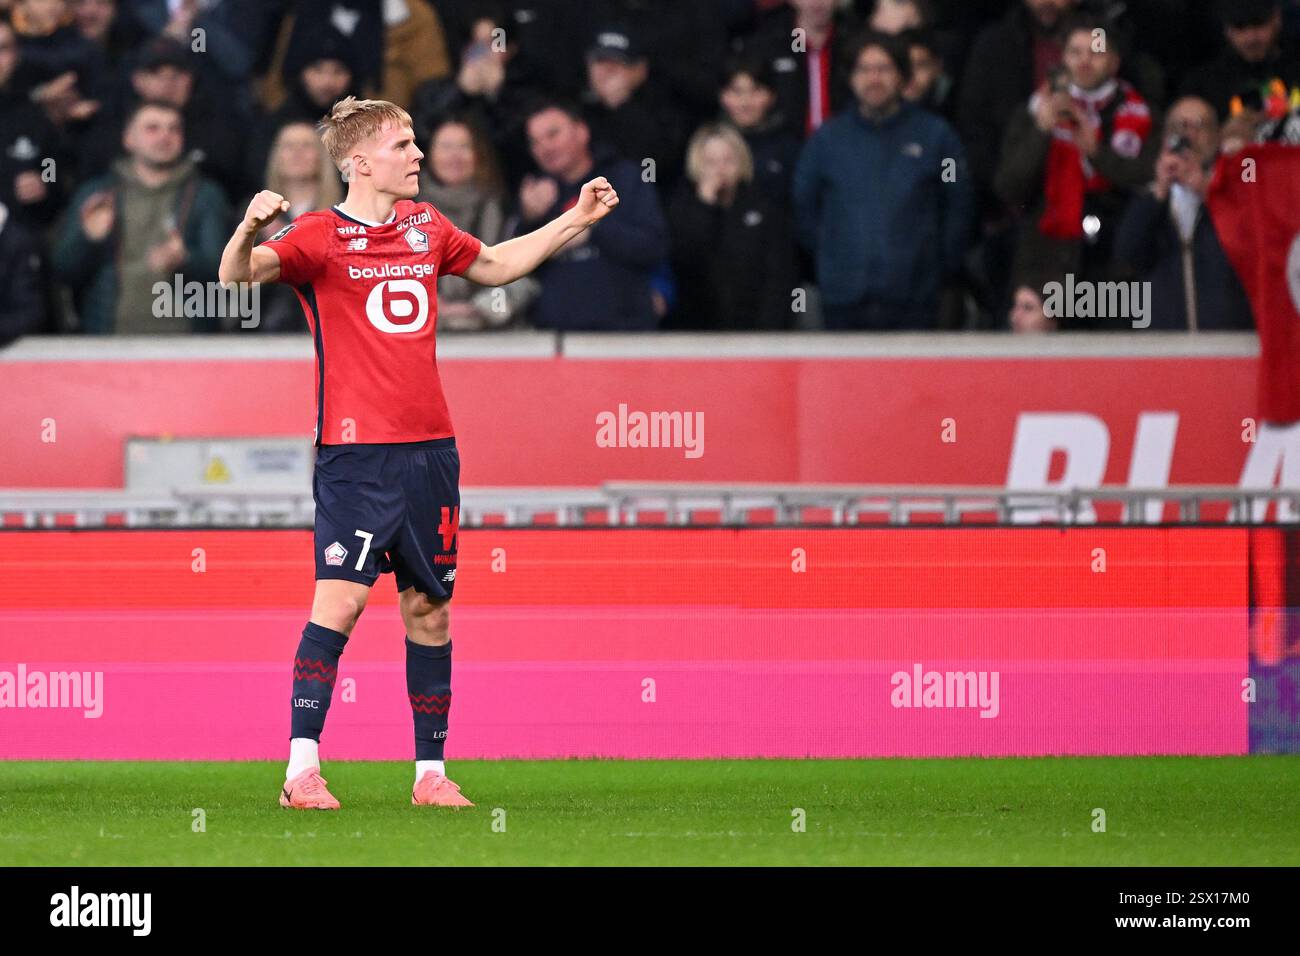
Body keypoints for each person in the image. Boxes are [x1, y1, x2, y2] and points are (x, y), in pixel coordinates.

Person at [217, 96, 620, 810]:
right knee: (338, 605)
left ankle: (429, 776)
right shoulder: (316, 235)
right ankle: (299, 771)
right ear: (360, 162)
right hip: (356, 456)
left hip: (432, 452)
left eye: (415, 142)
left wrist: (575, 220)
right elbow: (235, 279)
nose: (419, 155)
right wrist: (248, 227)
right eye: (403, 145)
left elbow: (494, 265)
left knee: (430, 611)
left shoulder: (425, 224)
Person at [793, 31, 972, 330]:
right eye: (864, 69)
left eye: (884, 69)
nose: (873, 79)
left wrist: (936, 268)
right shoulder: (826, 141)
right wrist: (833, 263)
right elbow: (804, 208)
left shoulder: (937, 137)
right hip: (843, 301)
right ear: (850, 78)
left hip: (916, 301)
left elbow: (958, 204)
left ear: (902, 76)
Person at [995, 13, 1156, 318]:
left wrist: (1097, 153)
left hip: (1115, 265)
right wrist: (1041, 132)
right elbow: (1009, 188)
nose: (1084, 61)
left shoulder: (1141, 114)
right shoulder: (1033, 112)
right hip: (1046, 263)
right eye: (1075, 52)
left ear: (1114, 61)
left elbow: (1148, 178)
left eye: (1095, 52)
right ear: (1062, 59)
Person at [52, 99, 228, 333]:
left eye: (174, 128)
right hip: (108, 336)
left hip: (187, 340)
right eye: (152, 128)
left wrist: (185, 259)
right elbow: (63, 272)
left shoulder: (206, 195)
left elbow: (227, 276)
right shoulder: (96, 193)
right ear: (128, 138)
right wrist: (89, 240)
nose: (165, 136)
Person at [519, 101, 667, 331]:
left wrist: (593, 230)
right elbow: (511, 270)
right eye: (535, 142)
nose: (545, 147)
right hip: (554, 341)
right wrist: (530, 220)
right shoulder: (536, 194)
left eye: (553, 134)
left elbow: (653, 246)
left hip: (625, 335)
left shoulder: (625, 178)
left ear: (581, 131)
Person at [1112, 96, 1253, 331]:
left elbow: (1250, 247)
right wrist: (1159, 191)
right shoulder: (1149, 197)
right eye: (1179, 127)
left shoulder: (1238, 193)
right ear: (1166, 138)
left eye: (1199, 125)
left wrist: (1208, 193)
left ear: (1217, 136)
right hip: (1166, 348)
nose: (1189, 135)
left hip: (1228, 343)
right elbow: (1127, 254)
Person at [667, 123, 795, 330]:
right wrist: (704, 205)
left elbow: (779, 276)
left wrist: (769, 332)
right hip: (695, 331)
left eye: (728, 160)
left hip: (754, 328)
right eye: (710, 162)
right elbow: (686, 261)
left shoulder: (763, 208)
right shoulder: (682, 206)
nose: (720, 170)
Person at [417, 117, 537, 330]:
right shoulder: (405, 210)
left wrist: (481, 309)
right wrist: (432, 306)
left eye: (464, 147)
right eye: (446, 147)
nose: (455, 156)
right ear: (429, 155)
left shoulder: (504, 208)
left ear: (479, 155)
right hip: (424, 337)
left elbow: (525, 280)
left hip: (496, 344)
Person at [246, 122, 344, 333]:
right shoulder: (253, 213)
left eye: (306, 146)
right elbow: (236, 285)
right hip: (268, 333)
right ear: (276, 157)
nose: (297, 153)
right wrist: (262, 242)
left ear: (321, 157)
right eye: (289, 146)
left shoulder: (346, 213)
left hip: (331, 328)